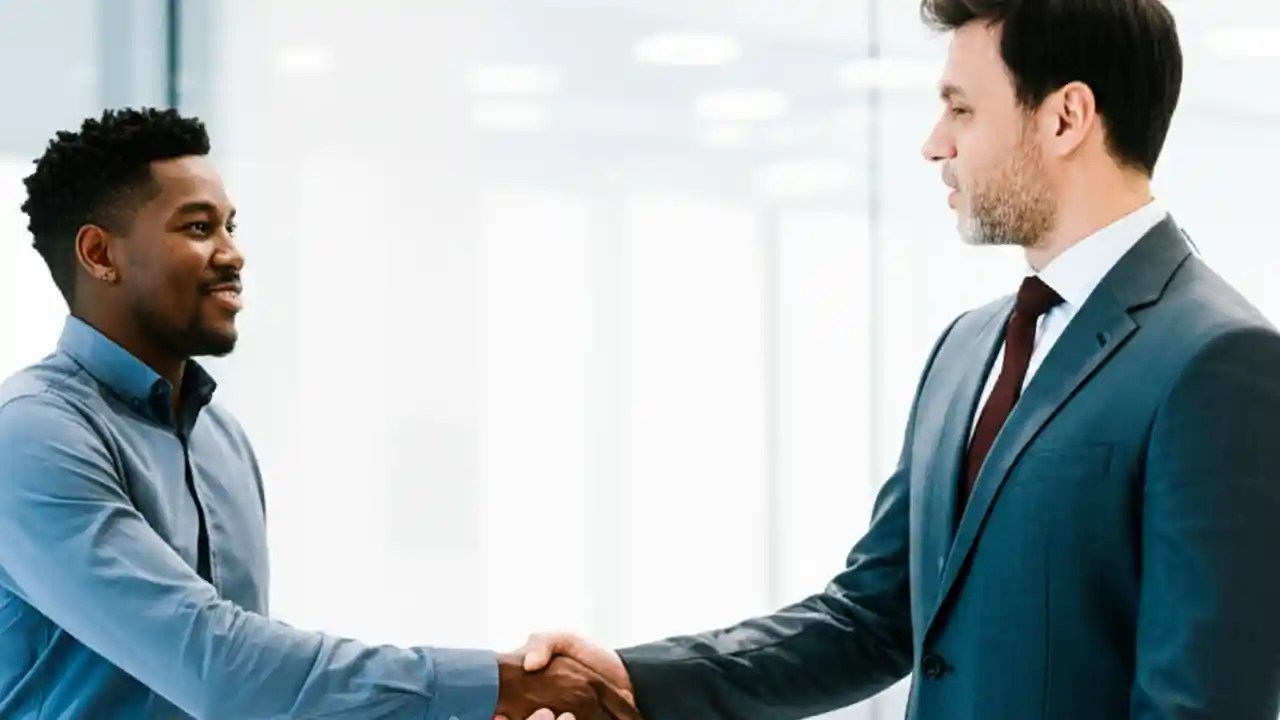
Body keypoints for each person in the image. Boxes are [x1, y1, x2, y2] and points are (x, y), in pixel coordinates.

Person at [507, 1, 1280, 718]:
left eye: (962, 108)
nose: (934, 142)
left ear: (1066, 117)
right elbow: (873, 617)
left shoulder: (1218, 362)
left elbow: (1202, 705)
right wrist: (629, 679)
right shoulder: (967, 348)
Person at [0, 108, 637, 720]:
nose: (232, 254)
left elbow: (266, 694)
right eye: (198, 228)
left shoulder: (220, 436)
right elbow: (218, 666)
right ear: (99, 254)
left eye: (230, 226)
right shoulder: (32, 436)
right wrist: (495, 685)